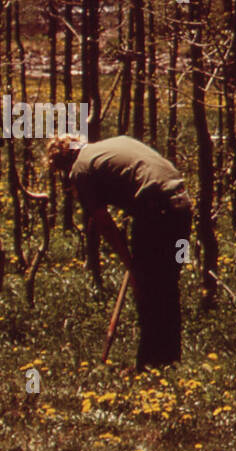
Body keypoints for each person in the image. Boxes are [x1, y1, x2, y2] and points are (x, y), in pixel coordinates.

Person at [47, 134, 192, 370]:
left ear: (63, 164)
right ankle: (169, 362)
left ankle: (149, 366)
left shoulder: (81, 169)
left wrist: (130, 265)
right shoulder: (115, 143)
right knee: (167, 285)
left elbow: (104, 223)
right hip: (182, 205)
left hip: (155, 210)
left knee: (147, 288)